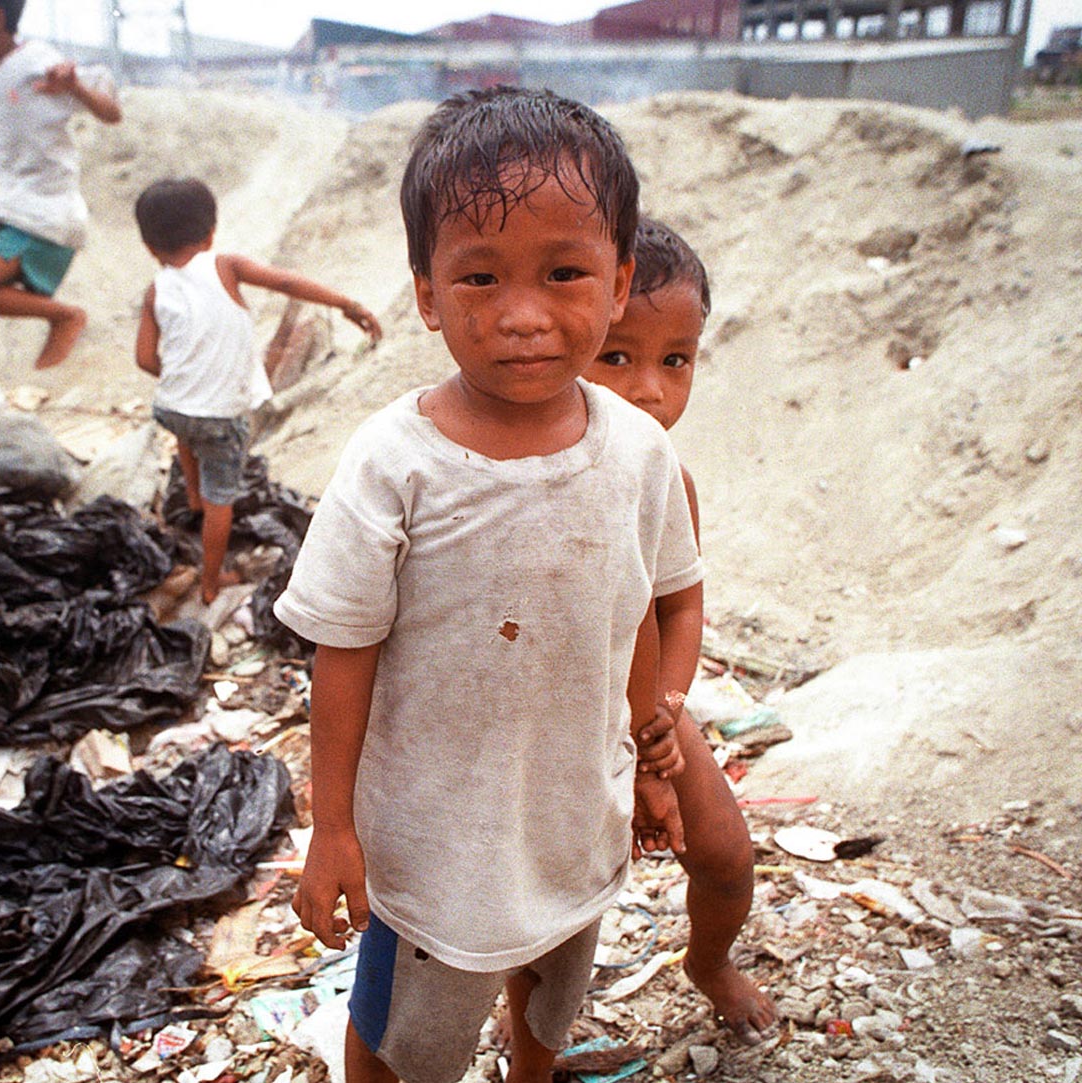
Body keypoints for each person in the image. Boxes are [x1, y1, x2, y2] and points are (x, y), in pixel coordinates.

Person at [273, 87, 705, 1083]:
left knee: (552, 989)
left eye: (564, 273)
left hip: (571, 817)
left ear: (617, 278)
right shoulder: (393, 463)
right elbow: (344, 652)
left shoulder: (639, 454)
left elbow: (636, 609)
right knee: (401, 1041)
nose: (523, 317)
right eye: (479, 277)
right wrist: (331, 827)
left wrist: (648, 762)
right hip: (435, 849)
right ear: (426, 293)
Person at [583, 217, 779, 1045]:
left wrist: (663, 711)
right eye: (618, 356)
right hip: (541, 718)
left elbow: (680, 607)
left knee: (728, 856)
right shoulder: (515, 471)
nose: (651, 390)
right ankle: (529, 1039)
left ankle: (708, 960)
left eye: (677, 360)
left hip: (647, 710)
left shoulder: (668, 480)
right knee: (549, 907)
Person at [133, 177, 382, 604]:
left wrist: (181, 373)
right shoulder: (225, 266)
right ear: (211, 232)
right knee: (221, 502)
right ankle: (212, 582)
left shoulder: (157, 288)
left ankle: (192, 494)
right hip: (219, 415)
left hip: (171, 407)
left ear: (149, 246)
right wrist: (347, 304)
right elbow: (286, 284)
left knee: (186, 431)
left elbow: (143, 359)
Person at [0, 0, 122, 401]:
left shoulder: (36, 61)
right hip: (12, 207)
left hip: (48, 210)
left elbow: (111, 112)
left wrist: (74, 86)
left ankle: (66, 315)